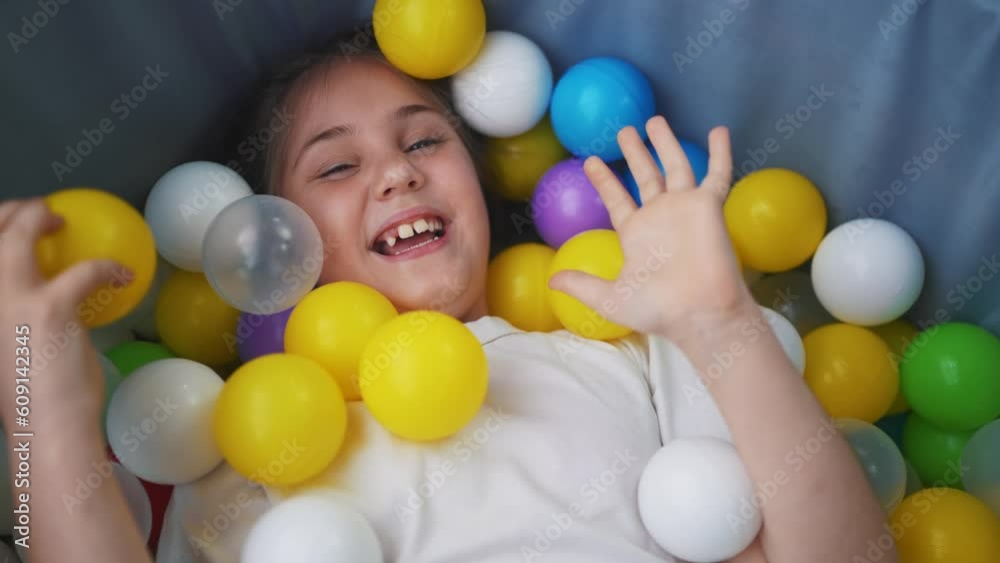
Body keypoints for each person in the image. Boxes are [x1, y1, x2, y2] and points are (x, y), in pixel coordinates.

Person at [0, 33, 893, 563]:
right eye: (338, 165)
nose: (395, 172)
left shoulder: (631, 344)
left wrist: (719, 315)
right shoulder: (241, 444)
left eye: (425, 141)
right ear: (271, 246)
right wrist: (39, 409)